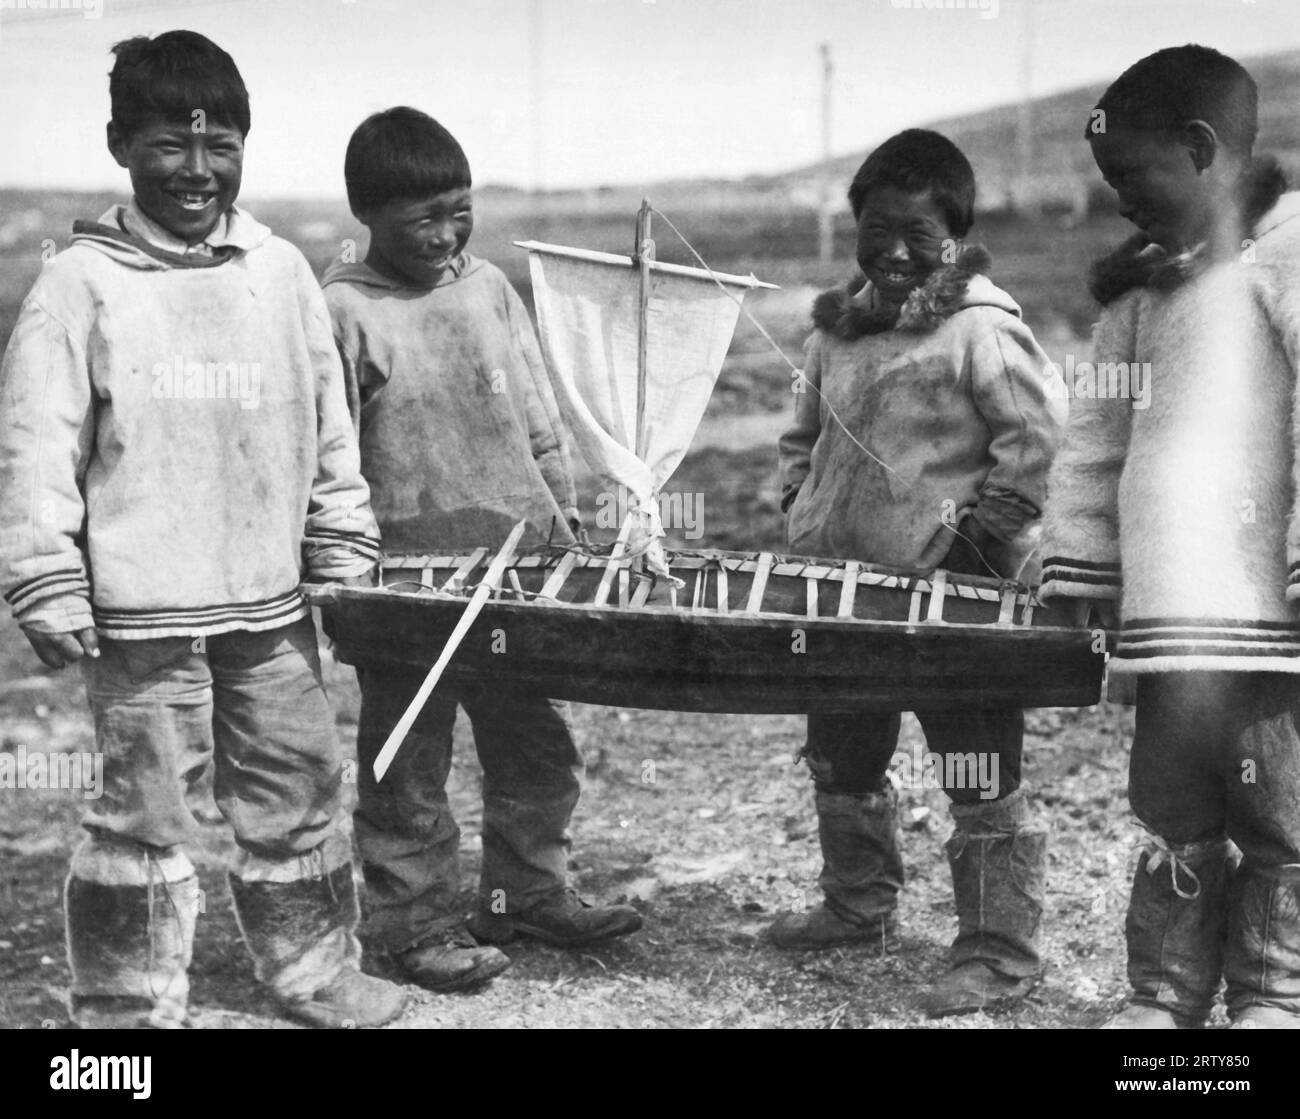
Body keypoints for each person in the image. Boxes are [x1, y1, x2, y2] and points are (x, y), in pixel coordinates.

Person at [0, 31, 406, 1028]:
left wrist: (340, 542)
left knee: (298, 785)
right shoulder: (76, 285)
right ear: (119, 144)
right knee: (145, 812)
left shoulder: (279, 275)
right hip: (143, 618)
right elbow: (34, 449)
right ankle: (126, 1011)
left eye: (219, 143)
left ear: (243, 148)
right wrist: (43, 576)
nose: (195, 168)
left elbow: (328, 422)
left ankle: (312, 973)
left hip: (270, 606)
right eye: (167, 145)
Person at [322, 107, 641, 994]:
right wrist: (343, 575)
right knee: (406, 761)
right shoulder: (343, 311)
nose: (446, 231)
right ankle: (412, 924)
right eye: (423, 217)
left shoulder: (490, 288)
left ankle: (528, 892)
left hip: (520, 566)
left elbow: (539, 421)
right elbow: (330, 455)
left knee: (534, 740)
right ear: (367, 215)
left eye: (459, 209)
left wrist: (566, 522)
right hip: (406, 586)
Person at [773, 129, 1067, 1016]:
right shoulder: (838, 332)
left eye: (919, 234)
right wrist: (801, 510)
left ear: (957, 235)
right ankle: (856, 904)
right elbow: (801, 439)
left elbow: (1038, 443)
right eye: (875, 231)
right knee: (843, 750)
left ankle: (998, 949)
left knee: (976, 762)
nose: (894, 252)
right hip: (841, 593)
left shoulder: (981, 328)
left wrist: (978, 547)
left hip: (954, 597)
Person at [1040, 45, 1300, 1030]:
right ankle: (1160, 993)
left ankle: (1273, 993)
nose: (1118, 204)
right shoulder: (1139, 300)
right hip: (1165, 615)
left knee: (1278, 808)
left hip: (1265, 610)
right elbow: (1093, 439)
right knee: (1169, 811)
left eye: (1131, 178)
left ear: (1200, 149)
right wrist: (1079, 557)